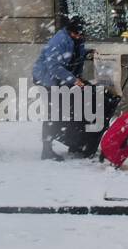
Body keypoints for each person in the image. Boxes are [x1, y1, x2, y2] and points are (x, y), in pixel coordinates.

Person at [32, 16, 88, 161]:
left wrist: (78, 76)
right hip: (47, 79)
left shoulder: (78, 39)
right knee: (53, 113)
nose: (79, 36)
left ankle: (73, 143)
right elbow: (54, 67)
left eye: (81, 34)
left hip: (62, 78)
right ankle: (47, 150)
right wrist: (74, 80)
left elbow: (77, 57)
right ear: (71, 31)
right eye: (77, 33)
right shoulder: (59, 41)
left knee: (71, 110)